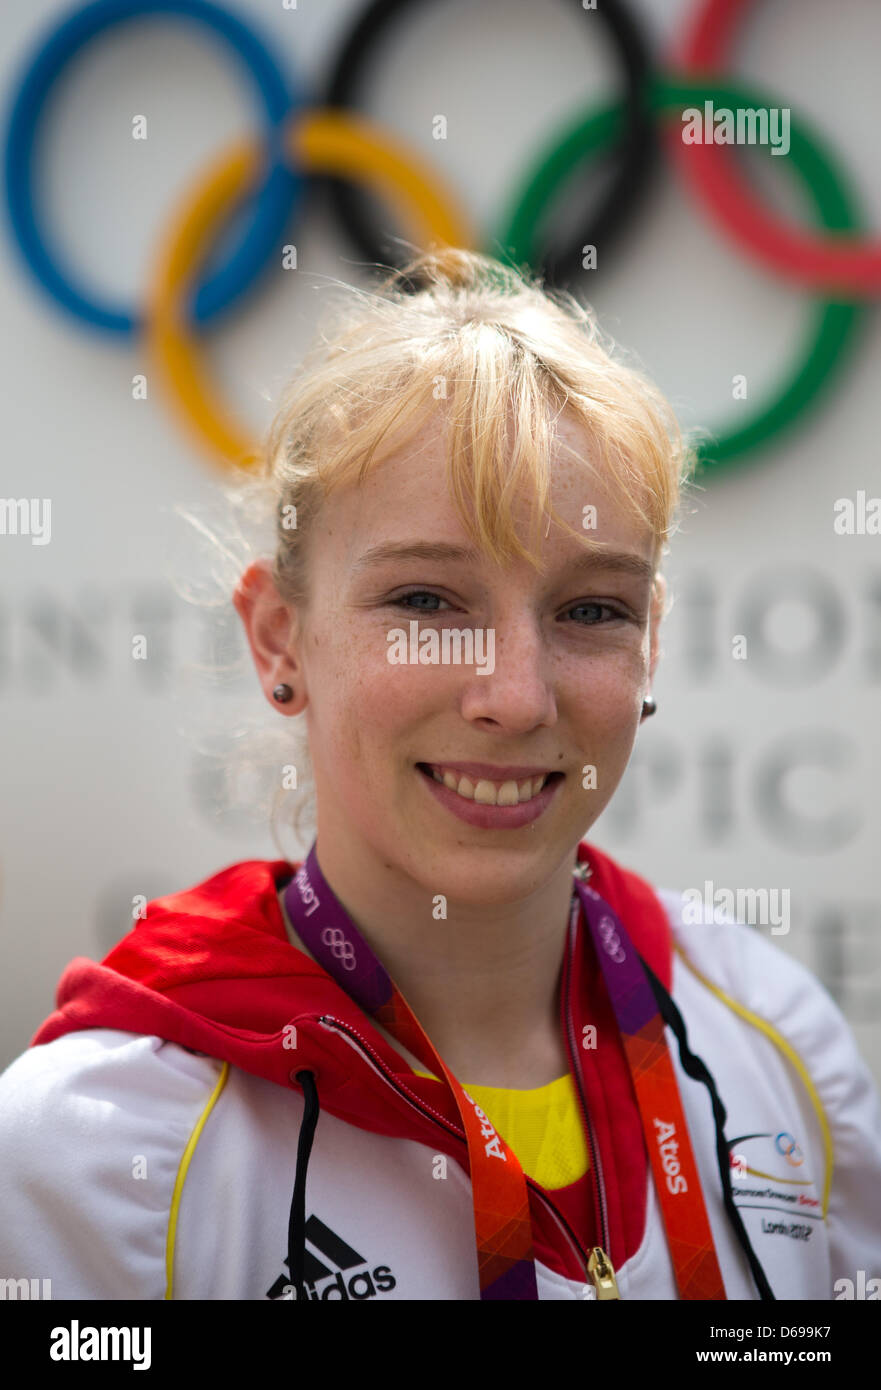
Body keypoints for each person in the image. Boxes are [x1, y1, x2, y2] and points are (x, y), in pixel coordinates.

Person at [1, 247, 879, 1302]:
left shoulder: (779, 1037)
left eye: (589, 610)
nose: (514, 695)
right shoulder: (96, 1150)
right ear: (280, 640)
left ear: (648, 645)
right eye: (424, 602)